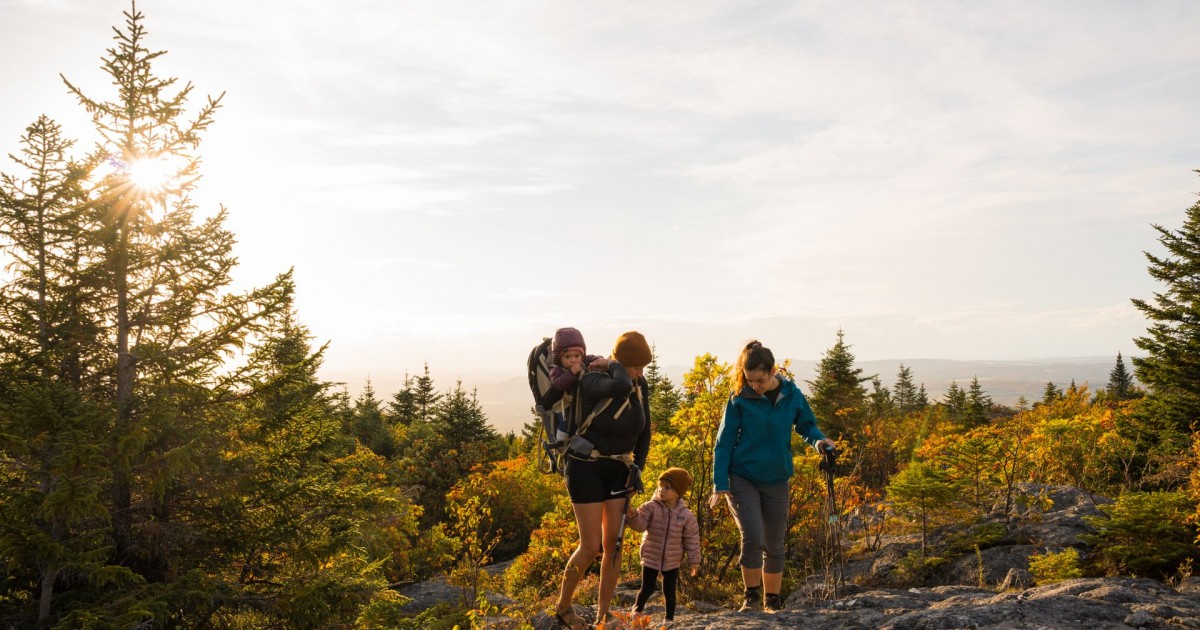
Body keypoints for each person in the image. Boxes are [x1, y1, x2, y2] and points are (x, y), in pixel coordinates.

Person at [709, 340, 836, 613]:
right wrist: (720, 483)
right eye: (750, 379)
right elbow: (724, 442)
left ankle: (773, 602)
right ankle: (751, 597)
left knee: (775, 544)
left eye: (760, 380)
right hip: (741, 477)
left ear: (773, 370)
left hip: (777, 478)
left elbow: (807, 426)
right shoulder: (739, 398)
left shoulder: (791, 395)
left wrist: (819, 443)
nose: (755, 385)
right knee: (753, 536)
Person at [554, 331, 653, 629]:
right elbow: (620, 383)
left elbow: (644, 430)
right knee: (591, 545)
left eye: (643, 366)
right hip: (586, 467)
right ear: (622, 362)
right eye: (636, 365)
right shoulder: (593, 379)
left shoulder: (639, 384)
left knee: (615, 543)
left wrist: (638, 468)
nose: (641, 372)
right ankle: (563, 606)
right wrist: (618, 367)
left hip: (620, 468)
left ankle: (603, 614)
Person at [626, 467, 701, 622]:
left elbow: (691, 539)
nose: (661, 490)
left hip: (672, 559)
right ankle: (637, 610)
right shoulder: (650, 507)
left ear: (678, 492)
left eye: (667, 488)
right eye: (660, 486)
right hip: (651, 555)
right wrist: (632, 514)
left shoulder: (686, 515)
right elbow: (640, 525)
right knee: (647, 587)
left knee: (669, 591)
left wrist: (694, 560)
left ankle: (669, 620)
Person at [547, 327, 603, 447]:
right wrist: (572, 372)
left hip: (580, 404)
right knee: (565, 422)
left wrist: (602, 362)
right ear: (559, 358)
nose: (573, 360)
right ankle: (560, 443)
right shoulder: (556, 370)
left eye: (577, 356)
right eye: (568, 357)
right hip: (564, 405)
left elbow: (596, 358)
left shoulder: (584, 361)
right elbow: (559, 383)